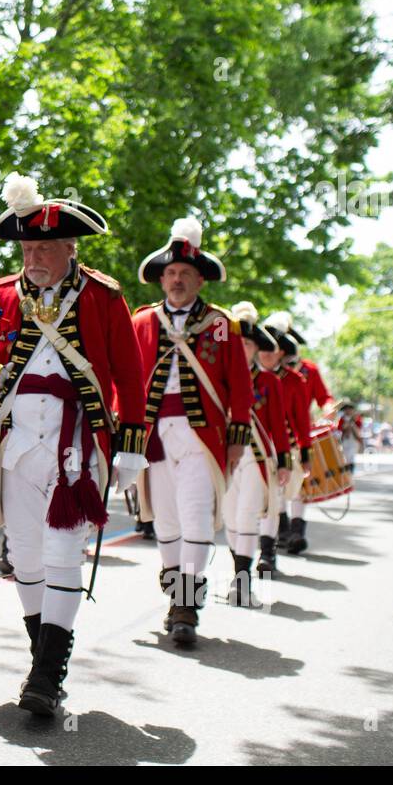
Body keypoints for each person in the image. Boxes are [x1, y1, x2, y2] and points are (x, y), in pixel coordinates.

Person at [0, 174, 147, 714]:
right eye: (27, 247)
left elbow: (130, 377)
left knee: (64, 552)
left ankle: (46, 674)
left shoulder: (103, 296)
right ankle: (42, 657)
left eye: (46, 246)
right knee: (24, 555)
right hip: (15, 441)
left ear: (71, 248)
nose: (35, 256)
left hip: (76, 443)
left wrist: (131, 445)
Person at [132, 217, 254, 647]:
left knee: (196, 516)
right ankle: (175, 585)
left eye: (185, 274)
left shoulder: (222, 324)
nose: (177, 280)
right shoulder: (142, 322)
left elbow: (241, 386)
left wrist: (237, 442)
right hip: (154, 435)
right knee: (165, 519)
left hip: (203, 436)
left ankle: (186, 606)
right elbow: (125, 383)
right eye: (171, 273)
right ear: (161, 279)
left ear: (200, 280)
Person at [222, 303, 289, 605]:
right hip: (222, 454)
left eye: (247, 344)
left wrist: (285, 461)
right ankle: (237, 575)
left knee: (247, 515)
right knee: (230, 517)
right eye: (238, 342)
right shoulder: (218, 378)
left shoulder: (269, 382)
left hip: (256, 455)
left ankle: (242, 582)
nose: (242, 348)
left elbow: (277, 425)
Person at [262, 311, 315, 553]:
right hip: (258, 446)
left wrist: (305, 451)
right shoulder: (250, 378)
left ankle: (287, 535)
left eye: (272, 349)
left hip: (287, 446)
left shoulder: (294, 380)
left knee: (286, 492)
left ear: (282, 352)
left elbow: (302, 419)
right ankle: (276, 540)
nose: (266, 354)